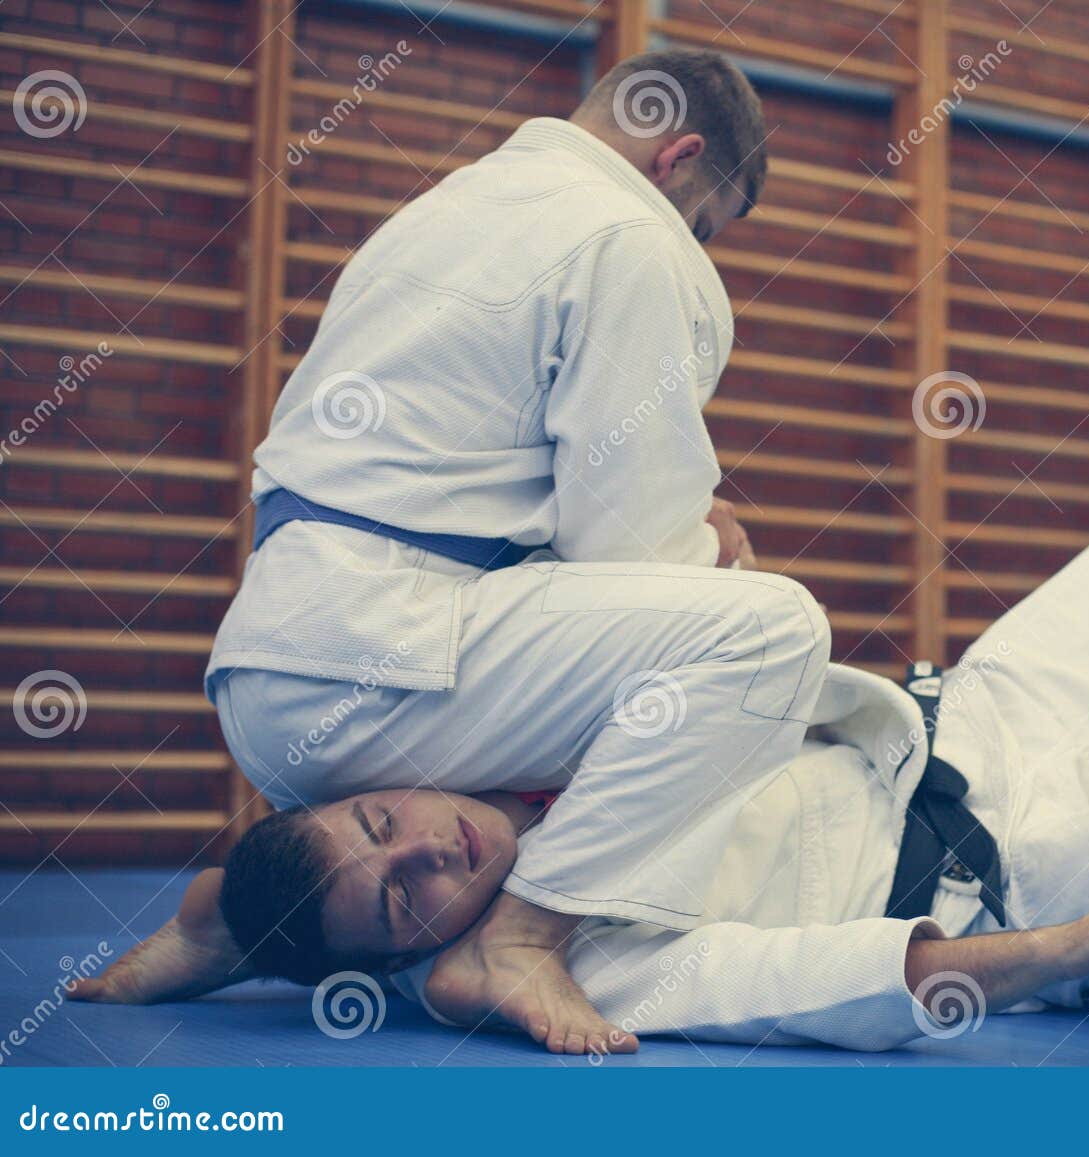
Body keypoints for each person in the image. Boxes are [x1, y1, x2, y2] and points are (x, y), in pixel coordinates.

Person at [74, 513, 1089, 1051]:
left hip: (952, 720)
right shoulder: (567, 963)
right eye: (407, 899)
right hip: (1006, 873)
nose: (427, 845)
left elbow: (253, 890)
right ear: (417, 955)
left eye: (385, 820)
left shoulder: (441, 776)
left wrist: (197, 940)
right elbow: (847, 981)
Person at [200, 48, 834, 1053]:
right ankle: (522, 937)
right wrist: (714, 550)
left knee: (521, 791)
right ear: (675, 158)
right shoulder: (633, 233)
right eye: (703, 222)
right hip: (381, 668)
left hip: (266, 688)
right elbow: (621, 543)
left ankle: (225, 925)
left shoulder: (447, 205)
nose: (695, 244)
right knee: (767, 637)